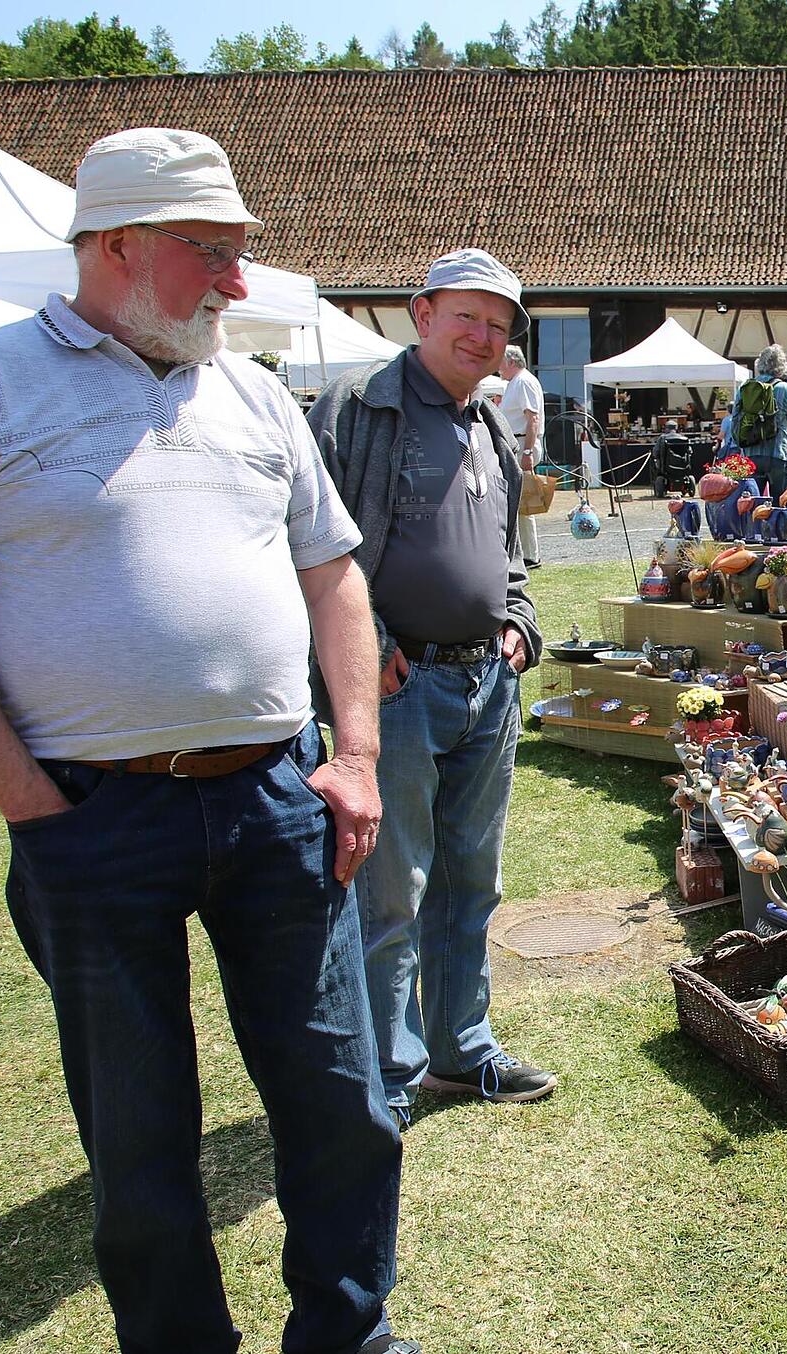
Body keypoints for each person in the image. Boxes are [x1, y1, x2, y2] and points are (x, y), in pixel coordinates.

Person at [0, 128, 412, 1354]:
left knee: (342, 1107)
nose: (238, 282)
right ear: (115, 244)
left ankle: (347, 1335)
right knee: (140, 1133)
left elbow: (336, 582)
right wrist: (31, 812)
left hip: (277, 799)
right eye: (210, 253)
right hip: (90, 816)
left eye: (237, 253)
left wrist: (355, 753)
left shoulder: (255, 392)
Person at [308, 249, 554, 1127]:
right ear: (421, 312)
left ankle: (461, 1048)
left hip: (489, 685)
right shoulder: (357, 410)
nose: (484, 336)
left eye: (499, 326)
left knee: (470, 883)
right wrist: (366, 641)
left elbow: (511, 564)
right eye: (468, 317)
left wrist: (520, 626)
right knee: (392, 893)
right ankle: (393, 1074)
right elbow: (310, 549)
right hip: (397, 686)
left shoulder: (486, 427)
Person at [735, 344, 787, 497]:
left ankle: (754, 521)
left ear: (759, 364)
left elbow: (736, 420)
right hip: (777, 454)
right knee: (778, 503)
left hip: (750, 453)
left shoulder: (744, 388)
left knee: (752, 502)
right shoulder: (785, 389)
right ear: (781, 366)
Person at [499, 344, 545, 569]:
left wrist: (527, 451)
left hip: (521, 444)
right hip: (515, 443)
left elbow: (532, 419)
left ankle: (530, 554)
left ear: (511, 361)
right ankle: (523, 553)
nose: (497, 367)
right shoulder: (515, 383)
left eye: (500, 361)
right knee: (518, 503)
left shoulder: (523, 381)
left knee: (524, 501)